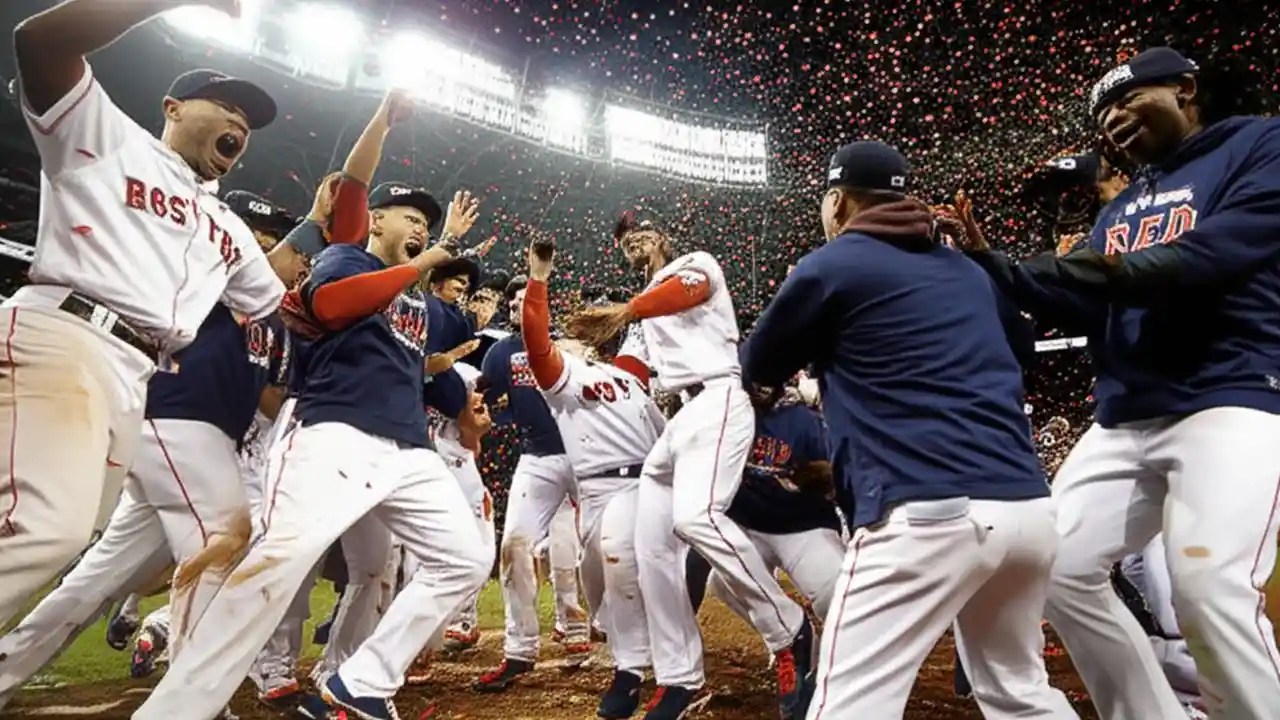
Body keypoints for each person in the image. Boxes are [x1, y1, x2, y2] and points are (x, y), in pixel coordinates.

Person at [957, 47, 1280, 720]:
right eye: (1101, 115)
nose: (1110, 121)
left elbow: (1206, 258)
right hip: (1125, 415)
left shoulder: (1259, 144)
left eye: (1125, 101)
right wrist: (995, 265)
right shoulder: (1126, 204)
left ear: (1186, 88)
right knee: (1052, 567)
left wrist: (1064, 269)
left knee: (1208, 585)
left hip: (1231, 395)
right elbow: (1084, 301)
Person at [740, 140, 1076, 720]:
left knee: (847, 705)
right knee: (1021, 695)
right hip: (1027, 511)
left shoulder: (831, 264)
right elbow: (1023, 347)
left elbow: (755, 369)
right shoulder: (965, 270)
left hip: (925, 515)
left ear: (839, 203)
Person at [0, 0, 285, 628]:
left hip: (134, 374)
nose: (240, 122)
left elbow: (284, 297)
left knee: (67, 533)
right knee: (45, 527)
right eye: (225, 107)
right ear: (173, 108)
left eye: (248, 122)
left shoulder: (227, 226)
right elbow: (41, 41)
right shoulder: (107, 136)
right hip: (65, 334)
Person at [567, 211, 814, 720]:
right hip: (682, 415)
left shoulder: (694, 263)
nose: (630, 238)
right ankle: (678, 677)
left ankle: (787, 626)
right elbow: (631, 372)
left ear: (662, 235)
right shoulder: (643, 315)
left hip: (721, 397)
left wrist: (626, 310)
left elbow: (688, 290)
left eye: (639, 229)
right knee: (651, 544)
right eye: (621, 237)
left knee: (695, 517)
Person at [520, 238, 665, 718]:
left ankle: (630, 670)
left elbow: (645, 322)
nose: (564, 342)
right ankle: (637, 647)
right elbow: (536, 341)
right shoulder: (564, 381)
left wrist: (654, 268)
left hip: (645, 483)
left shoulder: (628, 372)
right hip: (597, 488)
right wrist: (538, 282)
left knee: (620, 554)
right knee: (596, 584)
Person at [473, 281, 591, 692]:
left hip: (586, 455)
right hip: (536, 456)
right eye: (516, 302)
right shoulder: (501, 352)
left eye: (530, 300)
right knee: (515, 546)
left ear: (545, 306)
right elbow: (487, 400)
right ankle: (520, 650)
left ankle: (586, 633)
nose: (522, 307)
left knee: (592, 548)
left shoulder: (571, 346)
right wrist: (502, 424)